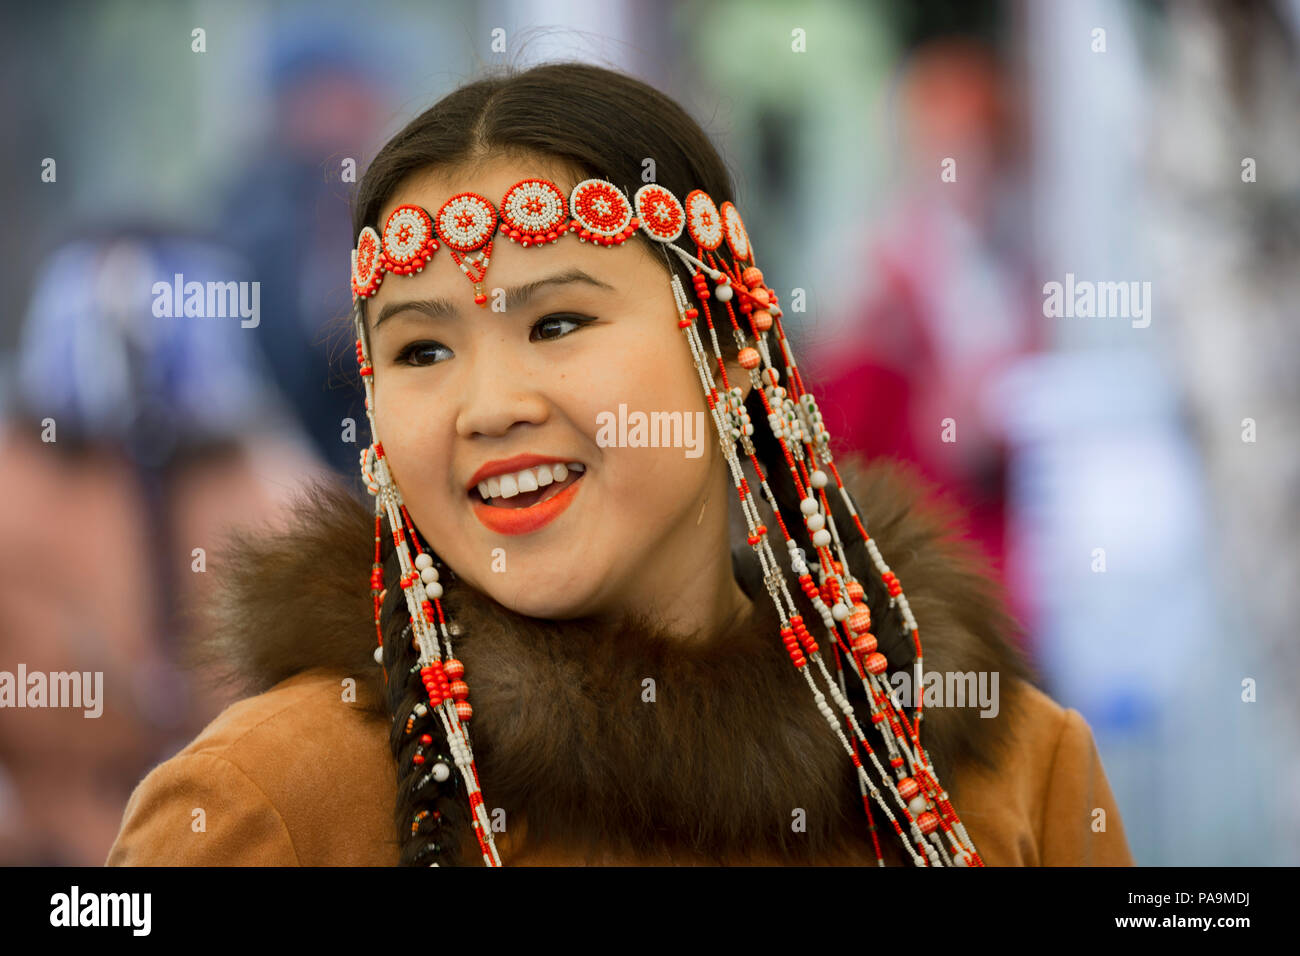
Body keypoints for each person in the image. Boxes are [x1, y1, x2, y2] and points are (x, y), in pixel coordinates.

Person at [105, 62, 1133, 867]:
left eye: (556, 321)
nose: (491, 406)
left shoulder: (1010, 769)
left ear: (728, 359)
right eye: (421, 349)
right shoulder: (273, 801)